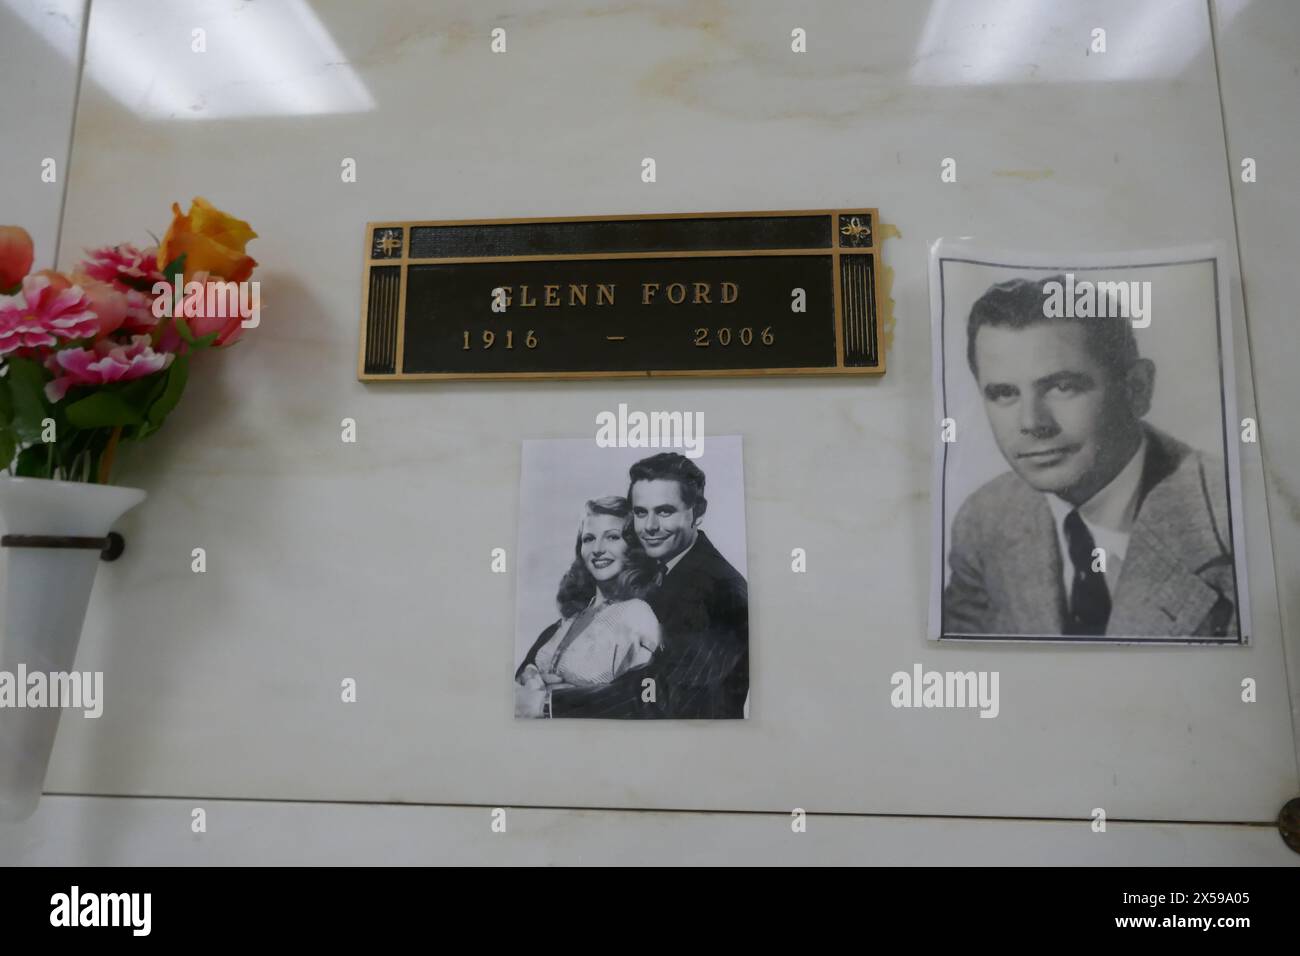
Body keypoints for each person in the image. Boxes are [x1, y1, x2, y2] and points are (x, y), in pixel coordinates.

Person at [943, 275, 1238, 639]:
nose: (1032, 423)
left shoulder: (1236, 519)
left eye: (1062, 387)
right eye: (1004, 393)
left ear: (1137, 389)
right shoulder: (983, 521)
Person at [522, 452, 749, 718]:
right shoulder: (655, 573)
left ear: (697, 512)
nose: (650, 527)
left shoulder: (720, 589)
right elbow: (548, 648)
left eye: (664, 511)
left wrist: (551, 703)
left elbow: (667, 694)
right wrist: (530, 676)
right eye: (641, 513)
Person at [515, 497, 661, 716]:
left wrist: (548, 701)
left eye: (612, 537)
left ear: (633, 547)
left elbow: (635, 702)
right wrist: (530, 673)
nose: (598, 549)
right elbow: (521, 677)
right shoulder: (572, 617)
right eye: (589, 539)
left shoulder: (637, 614)